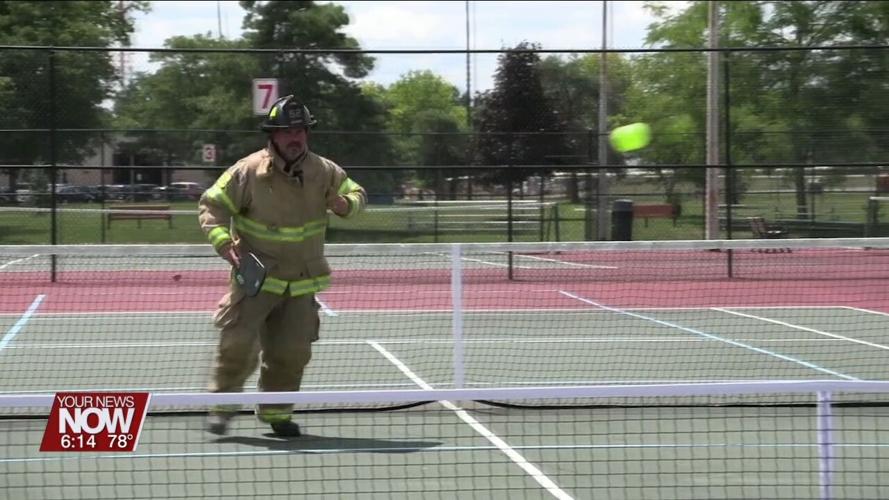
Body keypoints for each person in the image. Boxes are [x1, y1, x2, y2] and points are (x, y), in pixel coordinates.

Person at [198, 95, 366, 437]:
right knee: (236, 347)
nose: (295, 137)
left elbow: (359, 194)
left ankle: (276, 414)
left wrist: (344, 203)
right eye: (287, 131)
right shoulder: (247, 171)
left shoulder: (325, 171)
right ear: (272, 135)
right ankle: (222, 408)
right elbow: (211, 206)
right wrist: (223, 243)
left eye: (301, 130)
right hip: (255, 282)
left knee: (292, 354)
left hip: (301, 283)